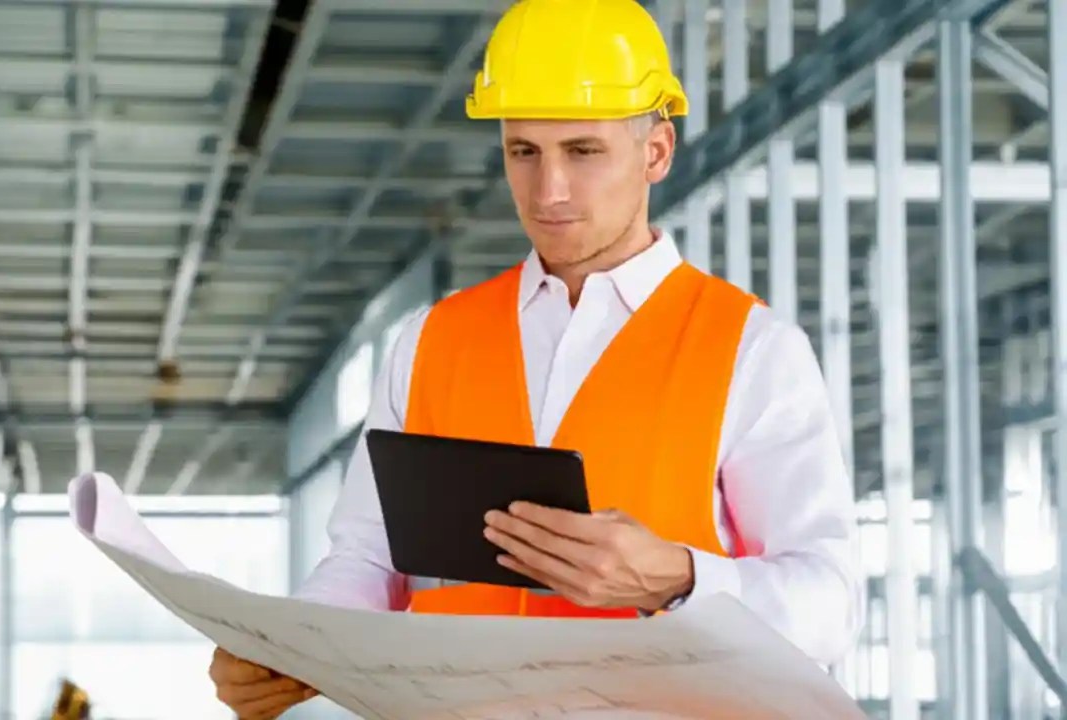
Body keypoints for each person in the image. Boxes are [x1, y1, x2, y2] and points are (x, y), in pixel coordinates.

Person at [210, 0, 863, 715]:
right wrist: (294, 645)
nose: (548, 191)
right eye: (524, 151)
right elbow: (367, 560)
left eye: (583, 151)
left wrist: (677, 578)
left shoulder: (751, 350)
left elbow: (830, 603)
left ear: (656, 152)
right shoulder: (431, 340)